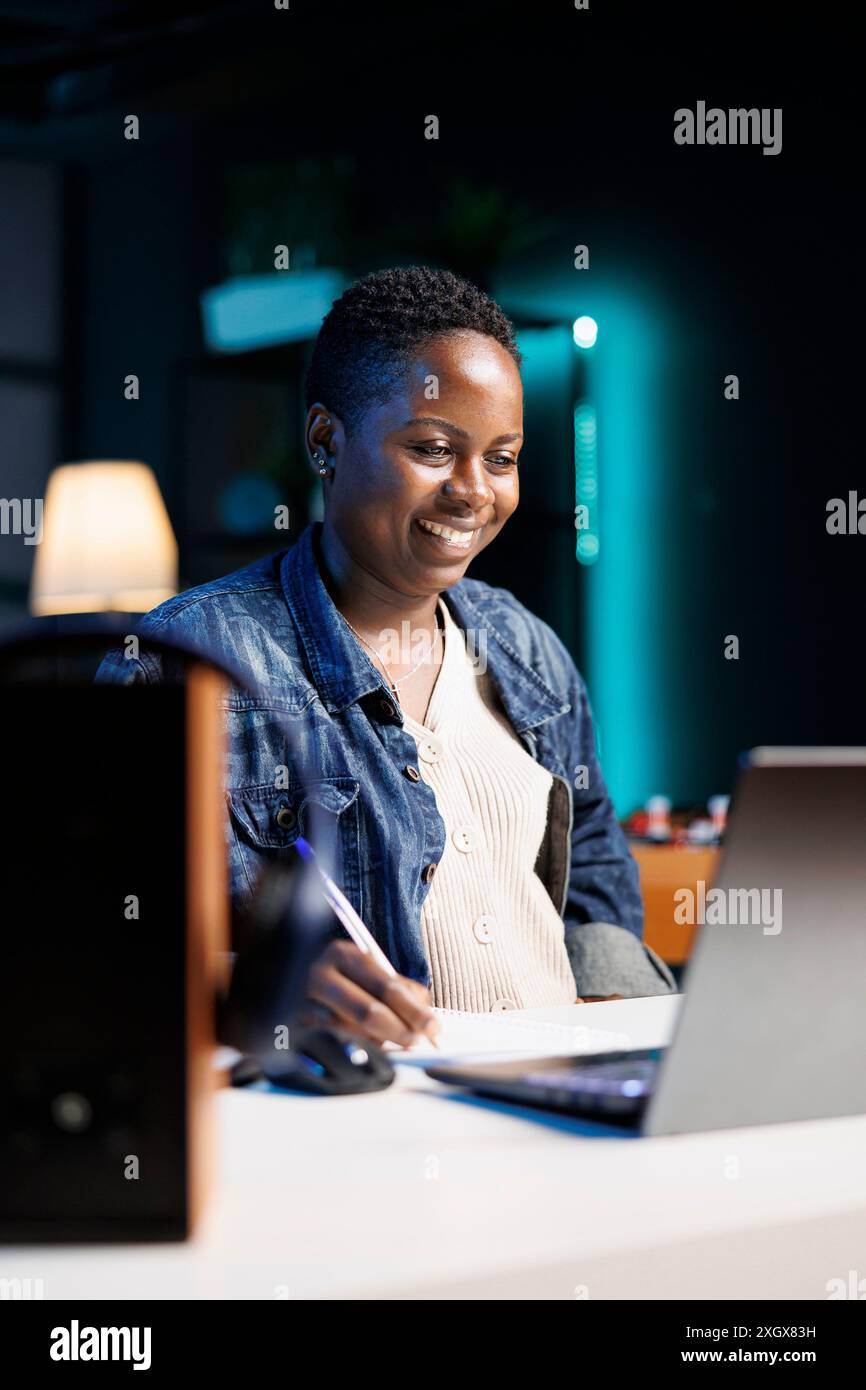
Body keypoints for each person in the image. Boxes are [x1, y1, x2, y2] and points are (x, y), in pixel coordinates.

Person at [97, 266, 674, 1048]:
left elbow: (597, 870)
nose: (474, 491)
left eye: (502, 458)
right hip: (366, 1130)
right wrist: (263, 983)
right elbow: (93, 936)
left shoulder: (524, 645)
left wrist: (614, 1033)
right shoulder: (190, 662)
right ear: (326, 441)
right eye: (434, 449)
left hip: (559, 1117)